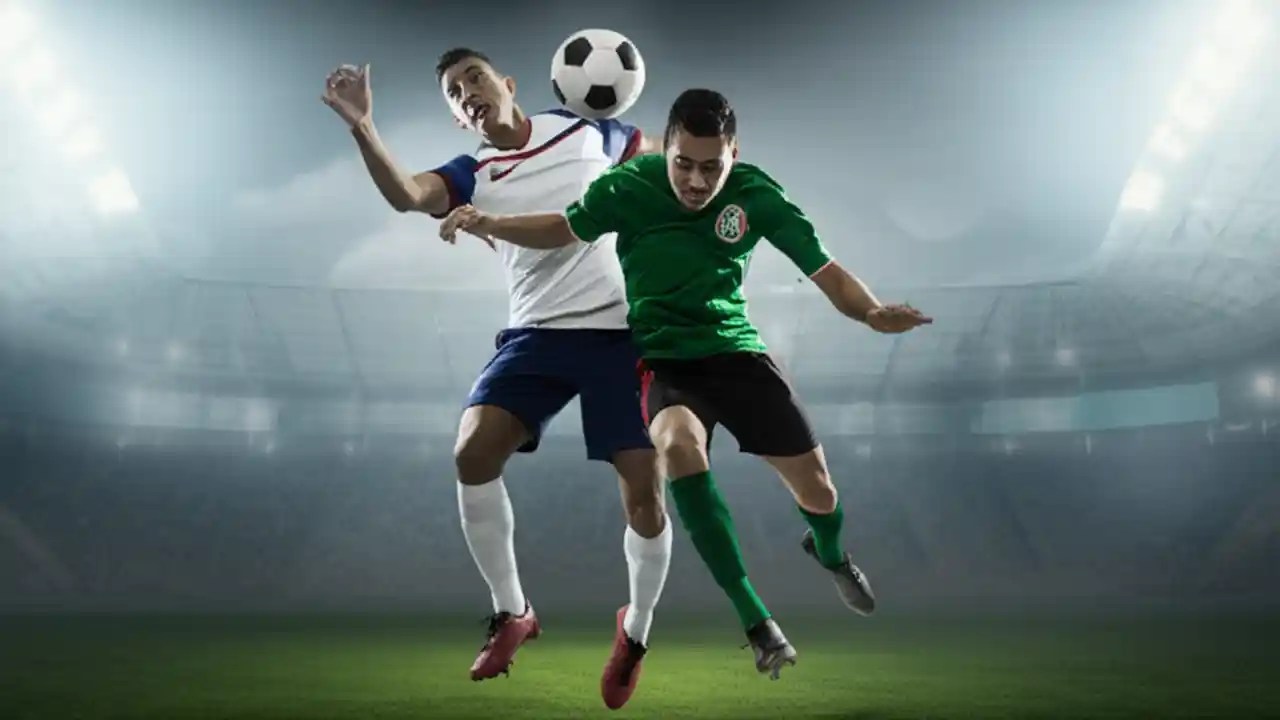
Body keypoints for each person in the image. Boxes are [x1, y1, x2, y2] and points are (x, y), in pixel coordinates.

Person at [438, 88, 933, 680]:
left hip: (737, 354)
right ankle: (757, 622)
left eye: (711, 167)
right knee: (676, 447)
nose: (696, 181)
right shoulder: (629, 189)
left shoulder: (756, 195)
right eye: (684, 163)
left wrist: (873, 313)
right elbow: (562, 228)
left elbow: (823, 270)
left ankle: (828, 552)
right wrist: (489, 221)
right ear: (665, 149)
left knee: (819, 493)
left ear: (733, 155)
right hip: (666, 362)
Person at [321, 51, 671, 708]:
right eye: (454, 93)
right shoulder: (472, 172)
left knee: (645, 499)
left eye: (474, 78)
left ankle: (637, 632)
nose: (466, 93)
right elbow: (407, 194)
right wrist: (362, 126)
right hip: (536, 334)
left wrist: (629, 225)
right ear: (458, 119)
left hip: (620, 332)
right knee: (472, 451)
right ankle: (513, 612)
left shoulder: (587, 128)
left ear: (507, 85)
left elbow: (638, 147)